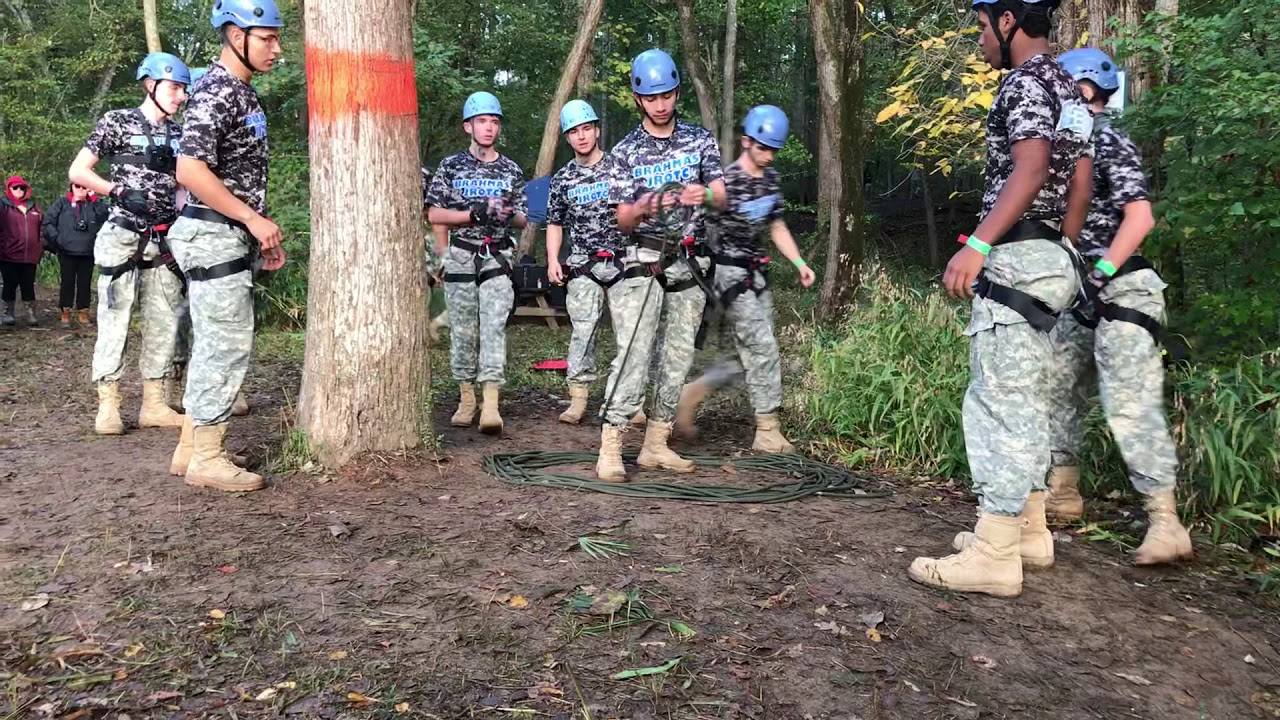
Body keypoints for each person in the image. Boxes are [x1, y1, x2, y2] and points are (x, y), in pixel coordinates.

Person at [908, 0, 1094, 598]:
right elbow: (1079, 183)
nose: (981, 39)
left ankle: (994, 552)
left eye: (984, 27)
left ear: (1010, 22)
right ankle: (1029, 531)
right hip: (1053, 257)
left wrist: (980, 245)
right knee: (1029, 398)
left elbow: (1032, 167)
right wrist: (1058, 249)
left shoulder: (1025, 82)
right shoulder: (1070, 86)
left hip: (1017, 256)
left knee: (998, 404)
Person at [1045, 47, 1191, 565]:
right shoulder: (1067, 146)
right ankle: (1062, 494)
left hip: (1122, 287)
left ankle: (1166, 522)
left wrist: (1101, 272)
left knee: (1130, 401)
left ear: (1084, 89)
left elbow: (1140, 218)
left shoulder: (1107, 138)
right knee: (1059, 390)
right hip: (1078, 291)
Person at [163, 0, 285, 492]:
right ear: (237, 35)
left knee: (213, 342)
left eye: (277, 37)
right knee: (226, 344)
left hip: (225, 233)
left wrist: (256, 232)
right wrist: (252, 219)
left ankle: (190, 447)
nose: (278, 47)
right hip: (214, 230)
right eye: (268, 38)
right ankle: (208, 459)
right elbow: (190, 170)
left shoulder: (242, 93)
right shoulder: (217, 90)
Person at [598, 48, 726, 481]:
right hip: (644, 259)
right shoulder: (624, 152)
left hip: (689, 261)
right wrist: (648, 203)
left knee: (676, 358)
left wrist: (702, 195)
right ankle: (612, 444)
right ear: (638, 100)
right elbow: (621, 218)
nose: (660, 104)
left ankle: (656, 443)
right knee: (634, 354)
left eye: (667, 95)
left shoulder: (699, 140)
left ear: (676, 93)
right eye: (651, 98)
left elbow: (723, 194)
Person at [672, 105, 817, 452]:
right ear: (746, 141)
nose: (768, 156)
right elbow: (708, 200)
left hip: (756, 274)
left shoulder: (770, 180)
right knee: (762, 346)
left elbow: (776, 225)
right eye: (763, 148)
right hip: (729, 275)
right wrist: (700, 195)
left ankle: (692, 394)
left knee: (743, 358)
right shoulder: (729, 180)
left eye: (774, 150)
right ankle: (767, 430)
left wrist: (799, 263)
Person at [69, 51, 192, 435]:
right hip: (123, 233)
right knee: (115, 319)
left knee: (164, 320)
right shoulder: (117, 122)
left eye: (184, 90)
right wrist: (117, 190)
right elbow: (78, 170)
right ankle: (109, 404)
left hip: (164, 239)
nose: (181, 97)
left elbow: (185, 188)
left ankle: (154, 403)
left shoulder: (182, 134)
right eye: (174, 88)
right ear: (151, 85)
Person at [426, 91, 528, 435]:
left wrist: (506, 212)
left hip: (497, 253)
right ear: (468, 125)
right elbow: (434, 213)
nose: (489, 128)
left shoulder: (510, 168)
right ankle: (466, 398)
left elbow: (524, 219)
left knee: (494, 326)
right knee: (463, 328)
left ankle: (491, 402)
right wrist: (471, 214)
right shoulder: (451, 166)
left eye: (494, 122)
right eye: (482, 121)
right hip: (461, 253)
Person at [545, 99, 631, 425]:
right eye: (574, 132)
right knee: (583, 330)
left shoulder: (618, 168)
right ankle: (578, 397)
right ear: (567, 138)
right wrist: (554, 258)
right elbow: (554, 222)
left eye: (586, 129)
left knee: (630, 332)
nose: (581, 136)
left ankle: (628, 400)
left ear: (596, 130)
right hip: (583, 263)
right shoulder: (563, 179)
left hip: (623, 261)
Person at [42, 183, 107, 327]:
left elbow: (106, 216)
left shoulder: (94, 204)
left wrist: (94, 197)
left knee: (85, 283)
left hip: (88, 251)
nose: (81, 189)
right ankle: (65, 313)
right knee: (67, 282)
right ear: (71, 187)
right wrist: (58, 239)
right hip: (66, 250)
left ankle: (83, 312)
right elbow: (47, 223)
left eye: (84, 187)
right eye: (77, 186)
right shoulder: (61, 203)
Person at [0, 177, 44, 327]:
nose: (19, 191)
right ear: (9, 189)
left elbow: (42, 228)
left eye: (22, 188)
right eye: (15, 188)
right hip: (8, 254)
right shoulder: (3, 206)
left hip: (30, 254)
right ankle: (8, 312)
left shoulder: (34, 207)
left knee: (28, 284)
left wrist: (41, 246)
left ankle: (30, 313)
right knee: (9, 284)